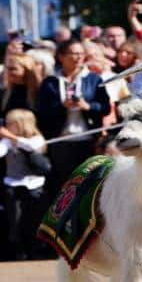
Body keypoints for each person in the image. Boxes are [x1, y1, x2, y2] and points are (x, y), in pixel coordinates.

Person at [36, 39, 110, 190]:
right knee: (64, 185)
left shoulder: (93, 79)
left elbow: (105, 108)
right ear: (61, 56)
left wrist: (87, 106)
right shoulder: (50, 82)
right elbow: (42, 112)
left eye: (81, 54)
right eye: (74, 53)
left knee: (88, 183)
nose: (79, 57)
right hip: (60, 140)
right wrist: (62, 106)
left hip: (88, 139)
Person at [0, 108, 47, 260]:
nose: (6, 127)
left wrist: (12, 137)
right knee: (16, 219)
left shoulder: (36, 139)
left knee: (33, 218)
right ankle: (19, 250)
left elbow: (31, 147)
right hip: (13, 183)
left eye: (9, 124)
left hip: (34, 184)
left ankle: (36, 248)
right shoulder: (7, 141)